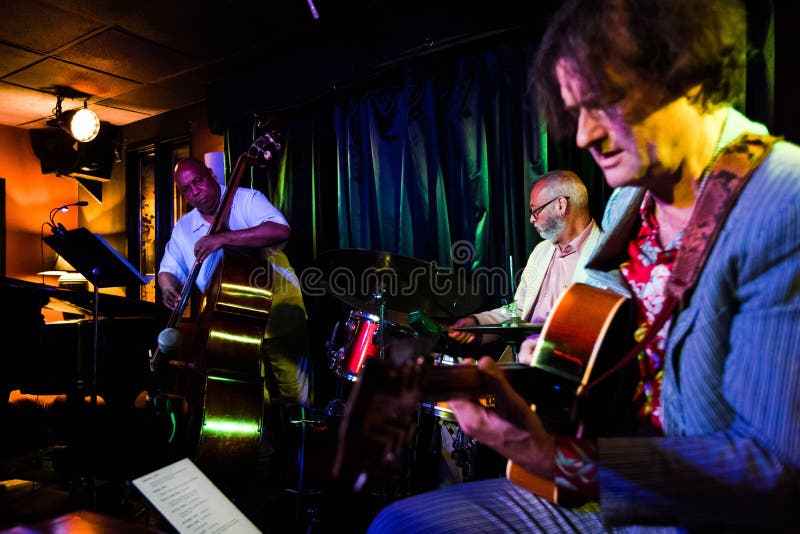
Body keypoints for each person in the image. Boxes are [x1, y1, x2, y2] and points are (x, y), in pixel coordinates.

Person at [367, 0, 800, 531]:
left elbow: (775, 473)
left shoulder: (782, 198)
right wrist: (530, 369)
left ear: (685, 72)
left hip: (696, 512)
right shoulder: (630, 198)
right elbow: (575, 340)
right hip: (606, 489)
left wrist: (559, 461)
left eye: (606, 101)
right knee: (401, 524)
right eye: (576, 112)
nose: (583, 136)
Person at [447, 169, 602, 364]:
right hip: (524, 365)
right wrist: (477, 324)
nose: (531, 219)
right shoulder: (541, 251)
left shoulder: (605, 255)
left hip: (568, 370)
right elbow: (519, 309)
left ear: (561, 205)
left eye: (535, 211)